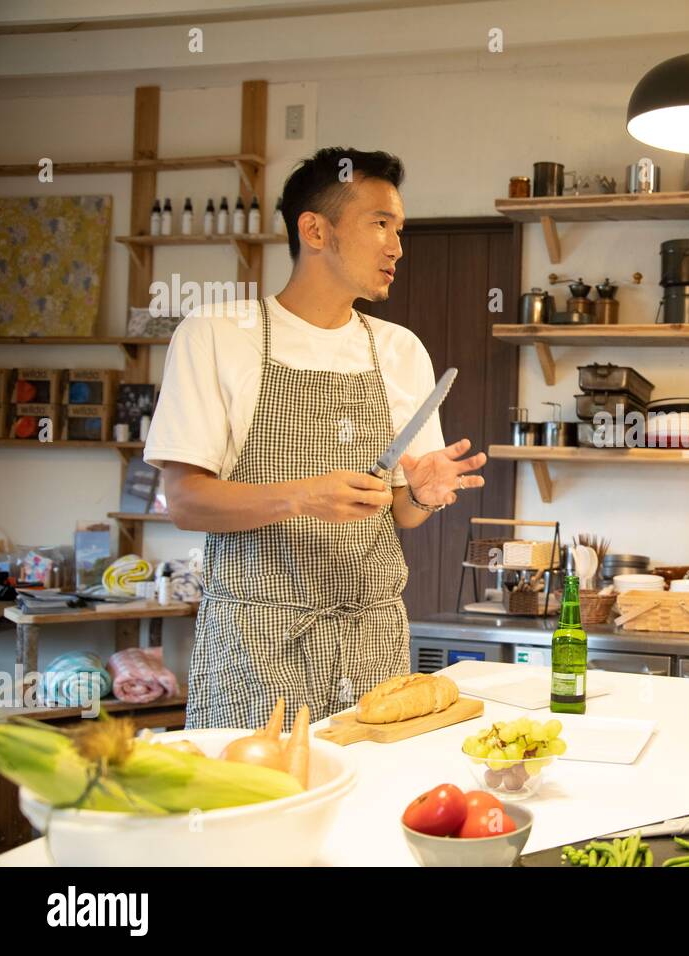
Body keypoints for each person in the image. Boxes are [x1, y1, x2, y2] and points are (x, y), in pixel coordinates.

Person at [145, 147, 486, 730]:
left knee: (371, 813)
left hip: (372, 647)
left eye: (399, 229)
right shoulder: (219, 334)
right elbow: (185, 502)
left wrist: (423, 494)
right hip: (256, 650)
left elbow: (401, 515)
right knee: (257, 808)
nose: (397, 247)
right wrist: (302, 496)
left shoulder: (400, 350)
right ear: (315, 230)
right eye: (380, 224)